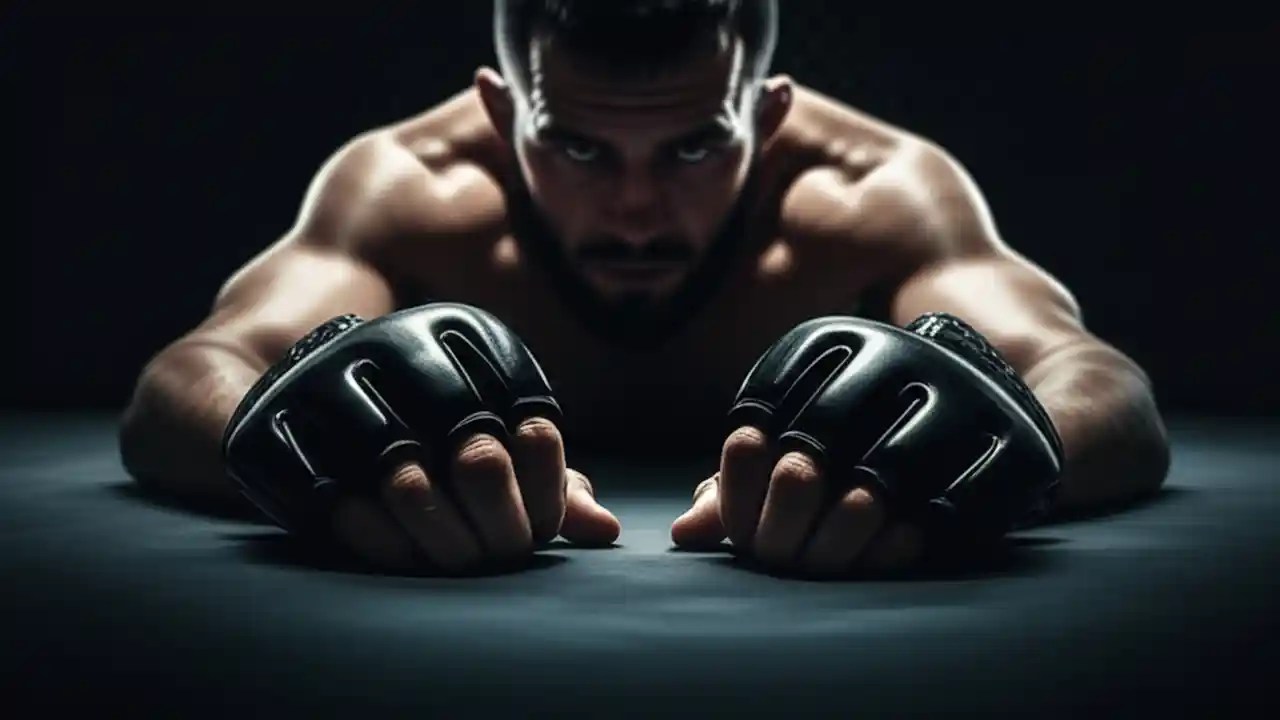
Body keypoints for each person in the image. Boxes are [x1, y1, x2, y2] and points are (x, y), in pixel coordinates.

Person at [118, 0, 1170, 578]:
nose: (632, 207)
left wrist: (964, 460)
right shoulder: (404, 189)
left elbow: (1099, 385)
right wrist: (325, 450)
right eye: (574, 147)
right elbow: (188, 377)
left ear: (769, 109)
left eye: (694, 147)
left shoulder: (879, 195)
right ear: (497, 112)